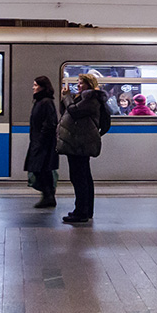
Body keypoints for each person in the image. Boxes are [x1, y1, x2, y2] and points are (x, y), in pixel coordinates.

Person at [56, 72, 106, 224]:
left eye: (81, 83)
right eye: (77, 82)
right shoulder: (84, 98)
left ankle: (81, 212)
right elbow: (66, 110)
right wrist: (66, 98)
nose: (78, 85)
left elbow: (74, 112)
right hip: (78, 142)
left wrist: (66, 97)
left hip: (79, 143)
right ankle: (85, 210)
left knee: (79, 177)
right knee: (83, 176)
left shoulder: (90, 98)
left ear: (89, 85)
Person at [25, 75, 60, 208]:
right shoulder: (40, 101)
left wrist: (40, 139)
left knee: (41, 169)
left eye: (35, 85)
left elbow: (50, 123)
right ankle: (48, 196)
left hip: (43, 143)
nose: (33, 88)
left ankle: (49, 196)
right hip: (38, 141)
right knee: (41, 169)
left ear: (42, 87)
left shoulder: (46, 102)